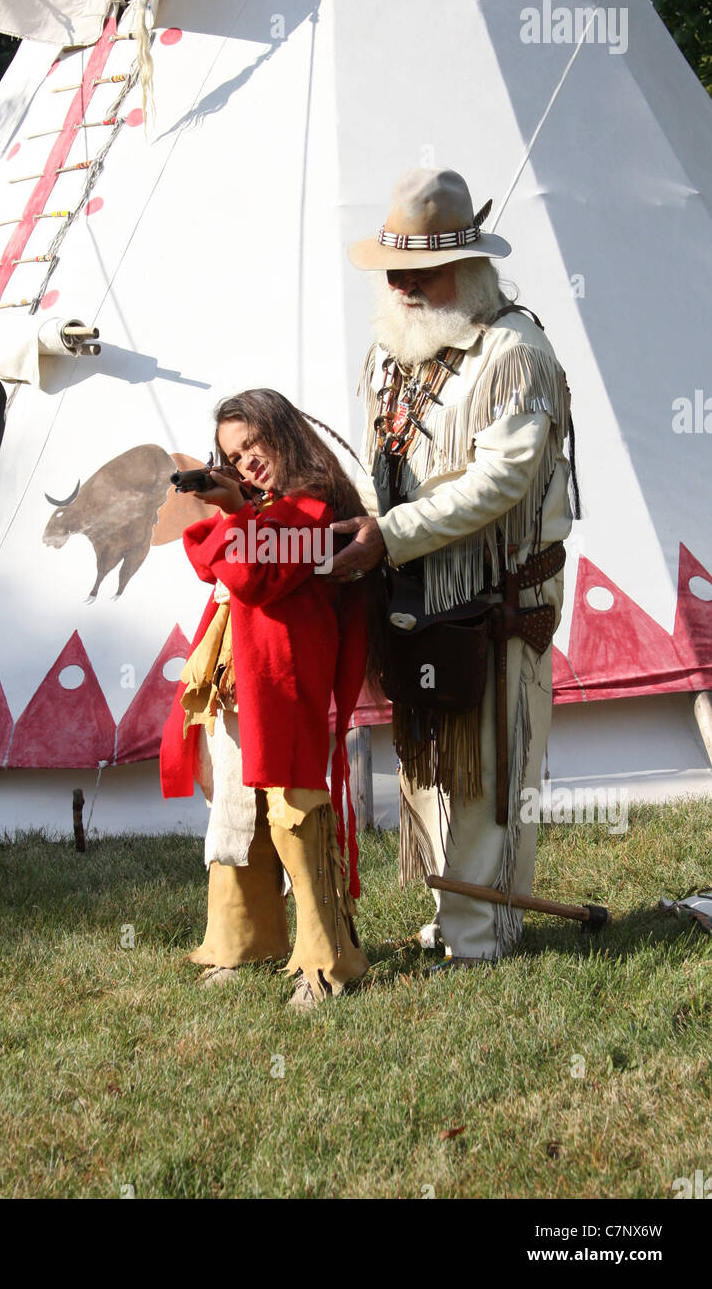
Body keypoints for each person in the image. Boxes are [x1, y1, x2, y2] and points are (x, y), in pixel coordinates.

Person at [330, 166, 575, 968]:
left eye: (419, 273)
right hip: (416, 593)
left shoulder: (515, 353)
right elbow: (383, 466)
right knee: (434, 767)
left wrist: (389, 535)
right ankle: (452, 923)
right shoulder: (389, 354)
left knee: (489, 775)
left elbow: (499, 485)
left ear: (467, 270)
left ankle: (481, 939)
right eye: (392, 272)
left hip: (499, 596)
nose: (399, 286)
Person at [160, 389, 377, 1010]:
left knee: (291, 804)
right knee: (235, 804)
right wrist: (238, 514)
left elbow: (252, 573)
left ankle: (325, 961)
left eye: (254, 444)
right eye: (234, 453)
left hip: (285, 673)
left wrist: (234, 515)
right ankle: (240, 942)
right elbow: (206, 556)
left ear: (283, 435)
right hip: (233, 676)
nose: (247, 460)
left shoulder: (316, 510)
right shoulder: (271, 511)